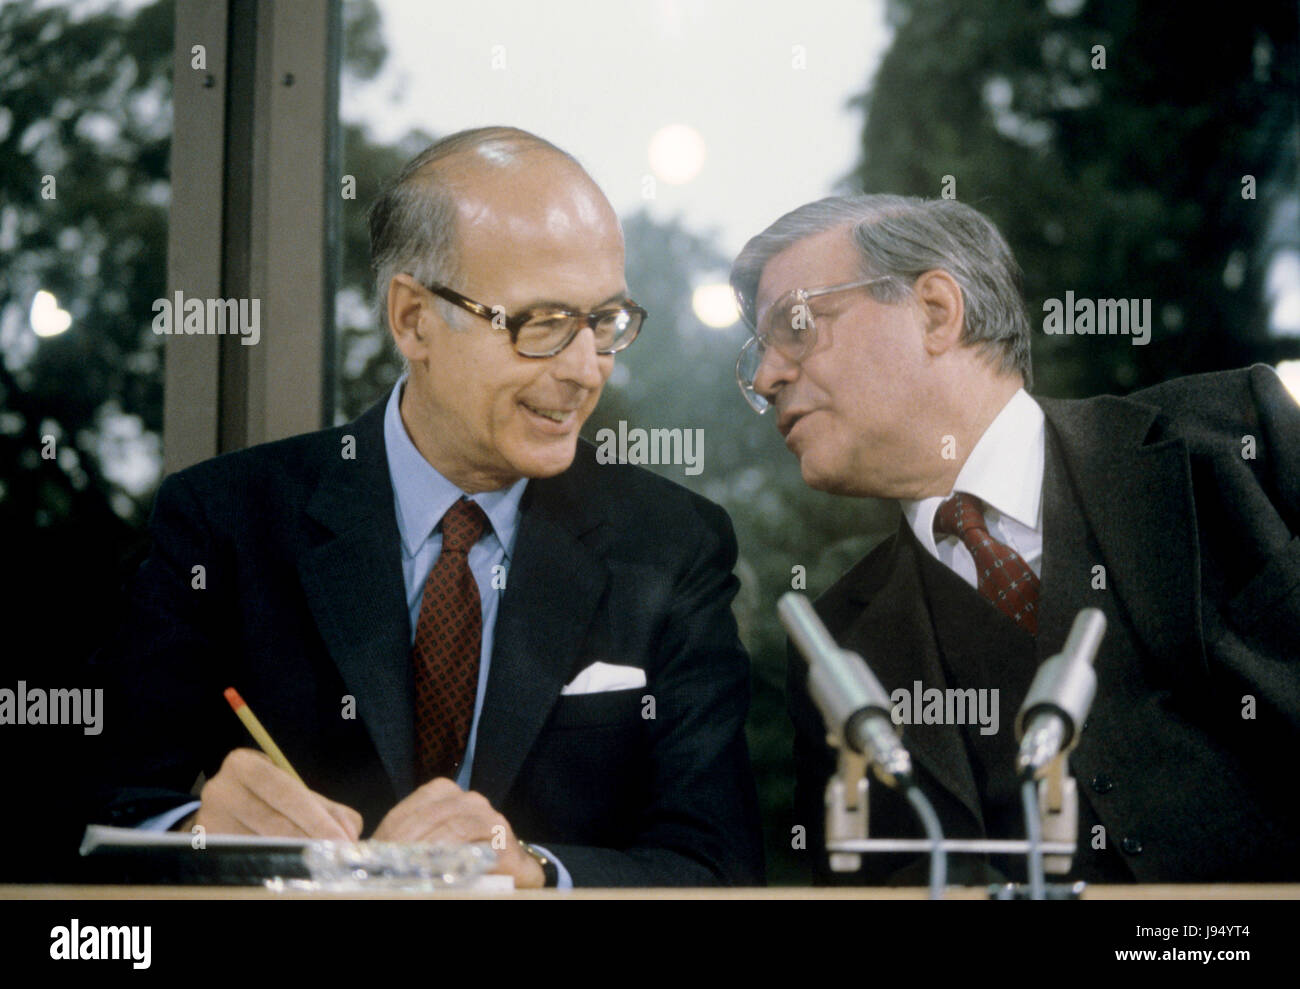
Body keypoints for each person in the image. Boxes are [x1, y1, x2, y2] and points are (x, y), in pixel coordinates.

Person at [87, 127, 764, 889]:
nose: (583, 371)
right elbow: (106, 812)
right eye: (541, 325)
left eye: (604, 323)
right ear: (412, 319)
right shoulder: (224, 520)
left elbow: (718, 865)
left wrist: (537, 870)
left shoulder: (672, 545)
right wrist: (196, 832)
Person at [730, 193, 1300, 885]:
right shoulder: (832, 646)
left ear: (937, 310)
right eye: (758, 356)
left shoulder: (1241, 440)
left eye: (795, 326)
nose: (767, 377)